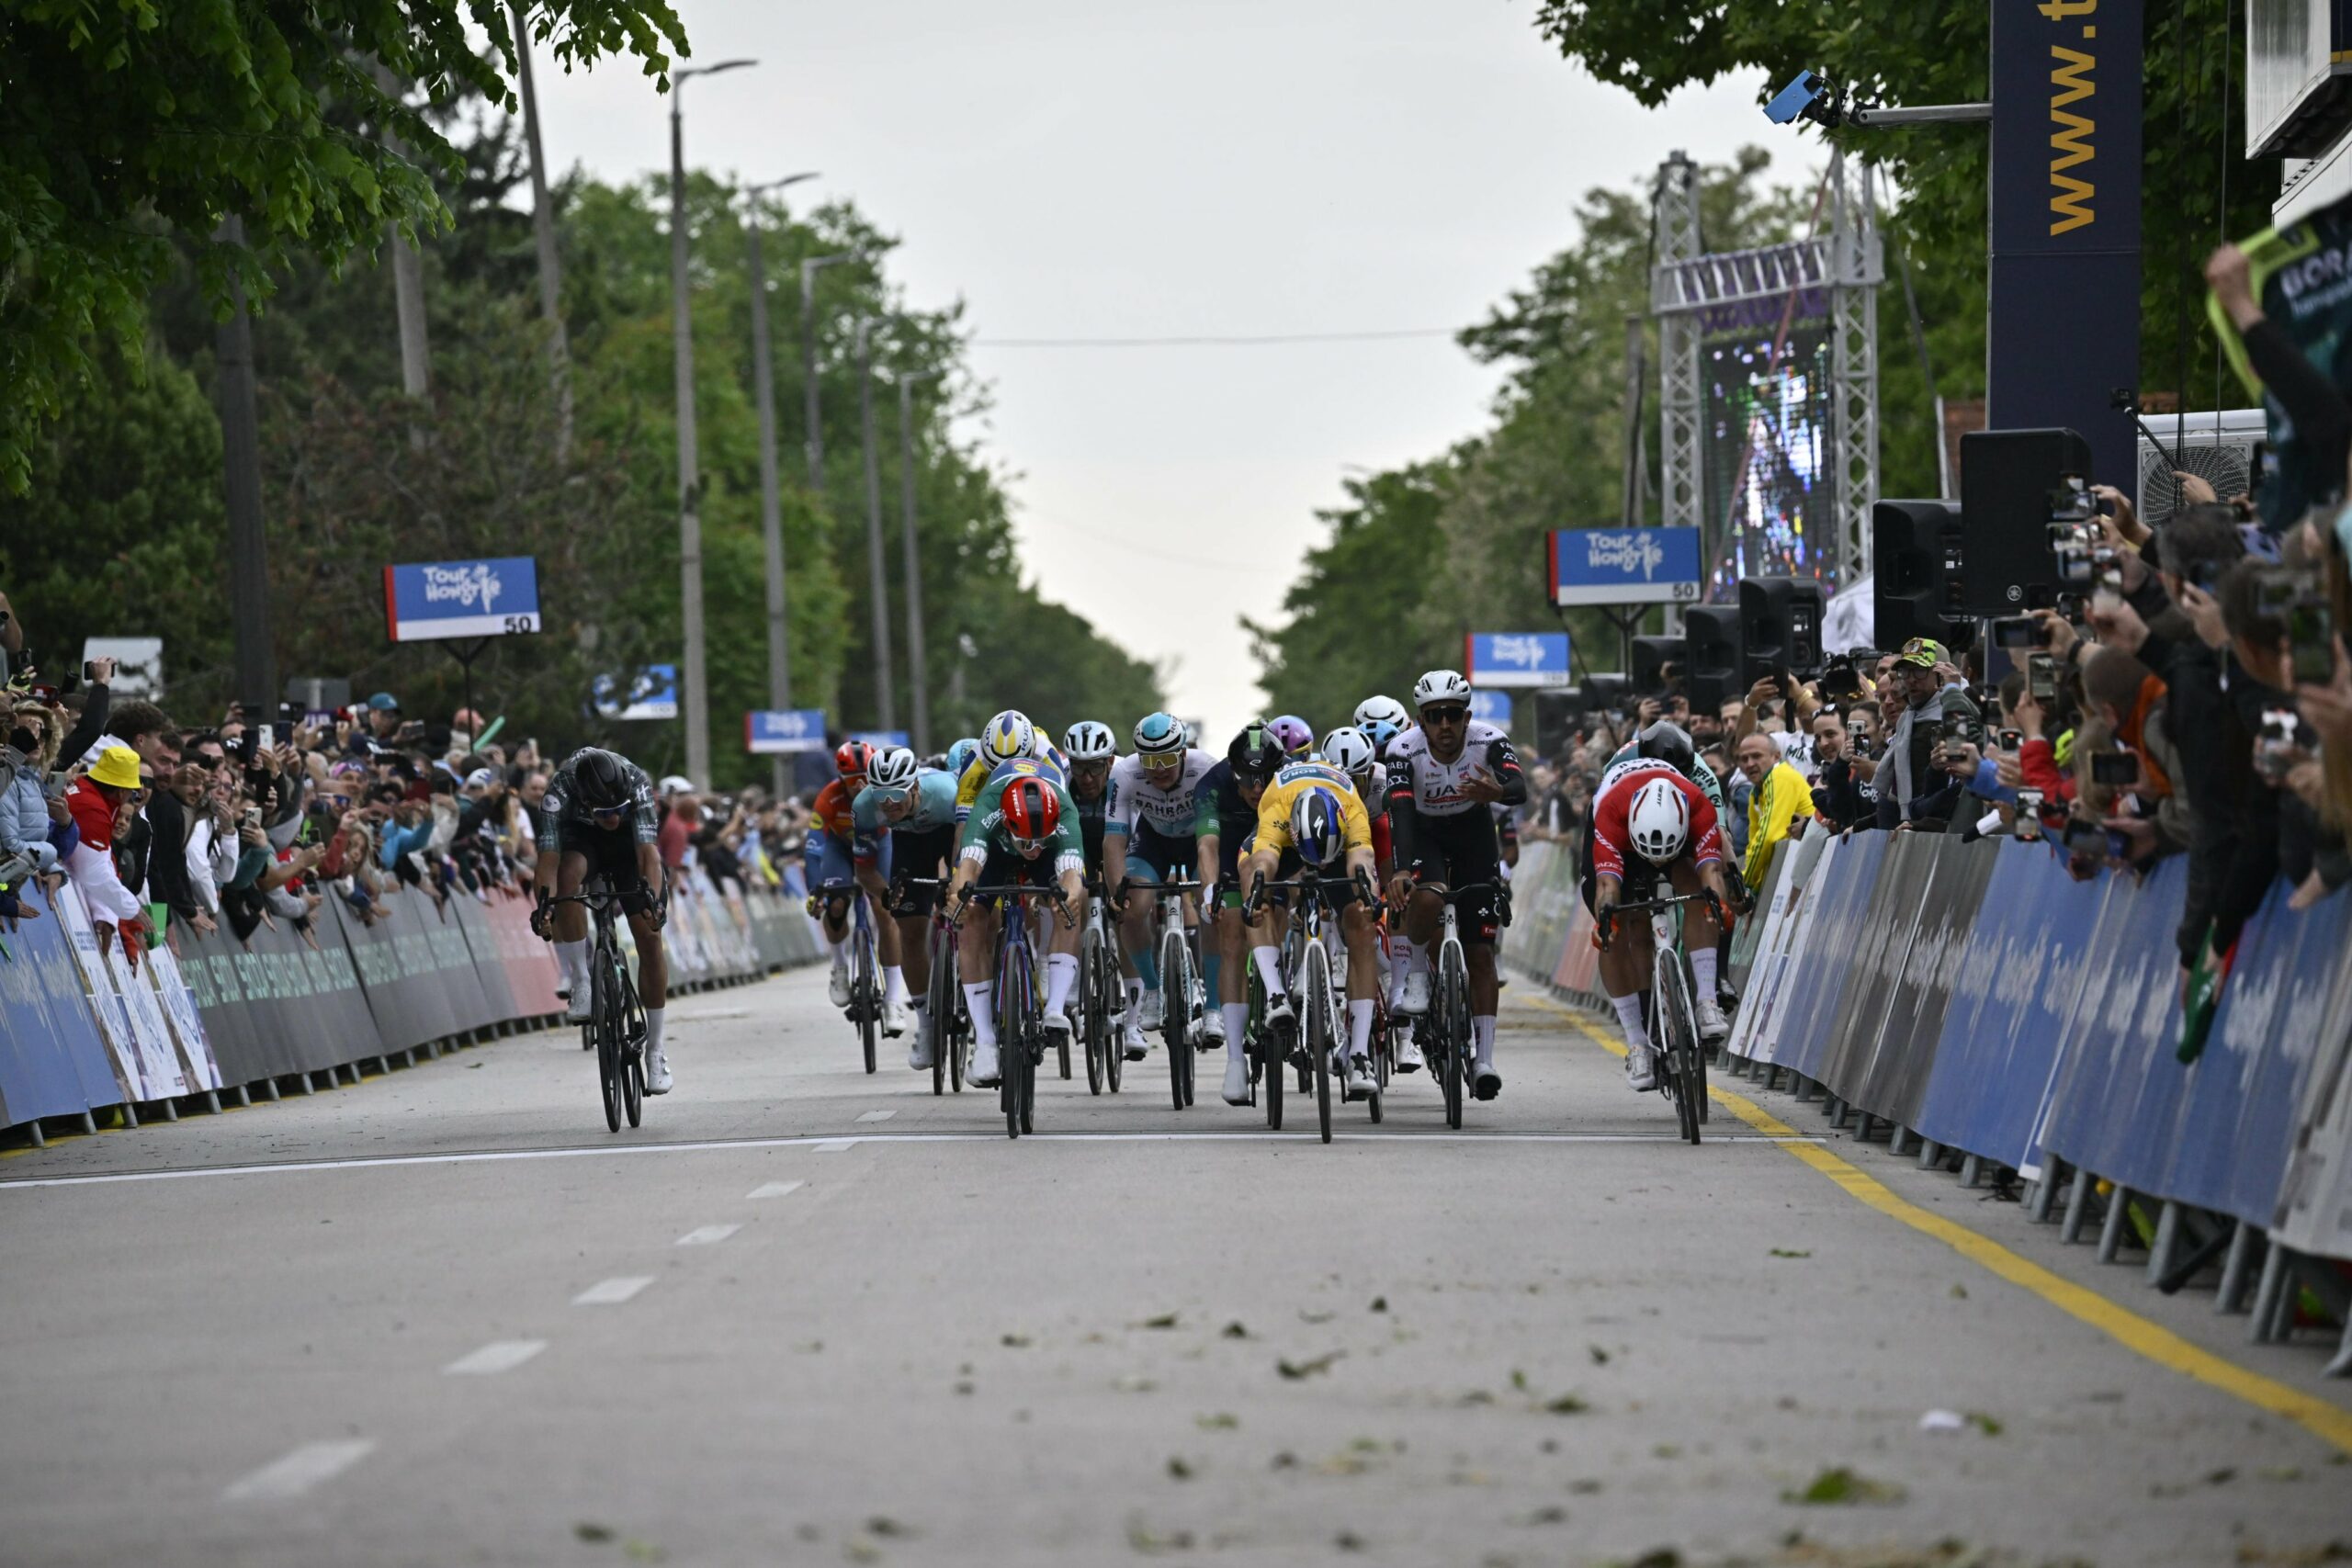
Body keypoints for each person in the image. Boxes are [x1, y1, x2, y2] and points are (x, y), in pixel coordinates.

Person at [1385, 670, 1525, 1100]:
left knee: (1481, 954)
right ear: (1420, 720)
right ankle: (1417, 979)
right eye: (1433, 716)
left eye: (1452, 715)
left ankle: (1484, 1060)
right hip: (1423, 832)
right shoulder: (1401, 750)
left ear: (1467, 717)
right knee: (1426, 895)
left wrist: (1496, 790)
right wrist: (1403, 868)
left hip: (1473, 835)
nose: (1443, 725)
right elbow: (1402, 814)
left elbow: (1518, 787)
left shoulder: (1489, 739)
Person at [531, 747, 674, 1093]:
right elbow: (547, 861)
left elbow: (648, 857)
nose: (612, 816)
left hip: (629, 847)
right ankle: (581, 981)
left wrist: (653, 903)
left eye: (618, 810)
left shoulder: (637, 784)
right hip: (584, 840)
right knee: (567, 879)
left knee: (650, 937)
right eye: (604, 811)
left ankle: (656, 1050)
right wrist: (545, 907)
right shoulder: (560, 791)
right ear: (584, 800)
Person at [1584, 759, 1734, 1090]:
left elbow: (1711, 873)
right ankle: (1637, 1043)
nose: (1658, 863)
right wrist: (1605, 922)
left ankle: (1707, 1000)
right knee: (1614, 924)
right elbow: (1607, 886)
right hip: (1622, 838)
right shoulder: (1610, 811)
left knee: (1699, 893)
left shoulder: (1698, 806)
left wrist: (1718, 905)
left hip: (1679, 835)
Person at [1243, 757, 1383, 1100]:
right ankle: (1276, 994)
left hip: (1336, 844)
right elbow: (1265, 861)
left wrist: (1370, 899)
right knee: (1255, 891)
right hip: (1287, 844)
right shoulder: (1278, 807)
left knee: (1362, 925)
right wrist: (1256, 897)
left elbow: (1362, 863)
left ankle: (1360, 1055)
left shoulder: (1353, 810)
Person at [944, 772, 1087, 1089]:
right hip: (995, 852)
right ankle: (984, 1042)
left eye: (1040, 840)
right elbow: (966, 869)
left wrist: (1070, 895)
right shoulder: (988, 810)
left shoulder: (1063, 811)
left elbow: (1072, 874)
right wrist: (957, 896)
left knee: (1069, 905)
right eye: (1027, 842)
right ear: (1009, 824)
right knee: (970, 918)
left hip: (1050, 853)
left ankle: (1054, 1007)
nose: (1034, 849)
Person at [1103, 711, 1217, 1059]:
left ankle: (1213, 1007)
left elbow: (1210, 841)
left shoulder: (1206, 768)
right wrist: (1116, 893)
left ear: (1184, 752)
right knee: (1131, 909)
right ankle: (1152, 989)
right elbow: (1113, 841)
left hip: (1198, 839)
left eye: (1168, 759)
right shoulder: (1124, 773)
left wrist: (1210, 891)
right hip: (1152, 841)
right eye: (1150, 761)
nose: (1159, 769)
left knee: (1212, 908)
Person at [855, 746, 961, 1070]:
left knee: (970, 910)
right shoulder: (864, 808)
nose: (889, 805)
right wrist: (886, 894)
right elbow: (863, 869)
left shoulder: (947, 792)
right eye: (882, 797)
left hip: (951, 833)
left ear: (914, 786)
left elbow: (966, 844)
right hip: (909, 846)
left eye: (897, 795)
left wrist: (955, 881)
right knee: (910, 932)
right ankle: (927, 1026)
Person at [1197, 722, 1285, 1104]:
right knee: (1232, 937)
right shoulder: (1212, 785)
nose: (1256, 788)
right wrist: (1210, 890)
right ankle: (1235, 1061)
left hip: (1279, 851)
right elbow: (1207, 846)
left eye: (1265, 778)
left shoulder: (1288, 785)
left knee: (1276, 915)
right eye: (1248, 779)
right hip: (1231, 854)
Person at [804, 740, 911, 1038]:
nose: (861, 786)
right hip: (840, 850)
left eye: (867, 778)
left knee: (885, 910)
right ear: (841, 779)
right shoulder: (828, 797)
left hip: (878, 845)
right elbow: (813, 849)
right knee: (835, 903)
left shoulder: (883, 794)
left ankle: (892, 1001)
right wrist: (816, 891)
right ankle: (839, 966)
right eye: (854, 782)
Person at [1733, 731, 1810, 894]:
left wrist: (1745, 883)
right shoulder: (1755, 793)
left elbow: (1769, 837)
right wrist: (1753, 889)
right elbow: (1754, 843)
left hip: (1811, 863)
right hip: (1795, 869)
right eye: (1744, 759)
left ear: (1776, 756)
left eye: (1756, 756)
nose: (1749, 764)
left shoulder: (1779, 776)